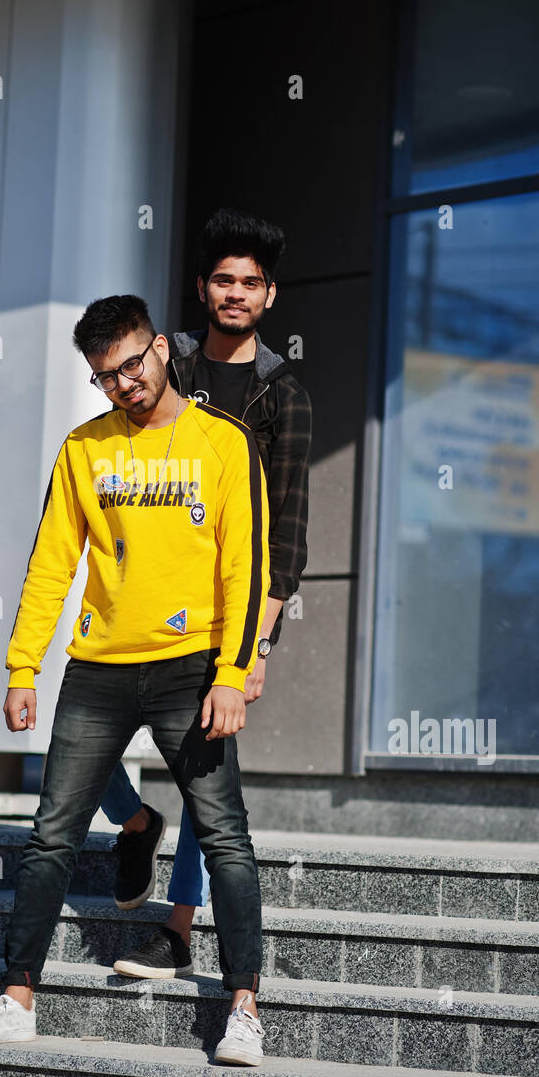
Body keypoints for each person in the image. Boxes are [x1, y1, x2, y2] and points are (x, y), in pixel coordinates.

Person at [0, 292, 270, 1064]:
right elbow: (50, 565)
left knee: (223, 835)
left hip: (190, 668)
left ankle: (243, 1009)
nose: (124, 383)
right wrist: (22, 667)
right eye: (106, 375)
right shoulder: (84, 449)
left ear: (160, 348)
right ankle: (16, 996)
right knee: (51, 833)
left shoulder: (222, 444)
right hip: (96, 669)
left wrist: (233, 670)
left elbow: (244, 568)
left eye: (132, 364)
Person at [103, 209, 312, 981]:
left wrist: (252, 649)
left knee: (203, 763)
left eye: (249, 283)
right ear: (202, 288)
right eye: (222, 280)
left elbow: (283, 538)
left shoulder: (282, 395)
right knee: (66, 744)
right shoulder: (167, 362)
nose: (234, 292)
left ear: (269, 296)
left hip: (226, 614)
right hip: (133, 596)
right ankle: (132, 820)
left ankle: (179, 929)